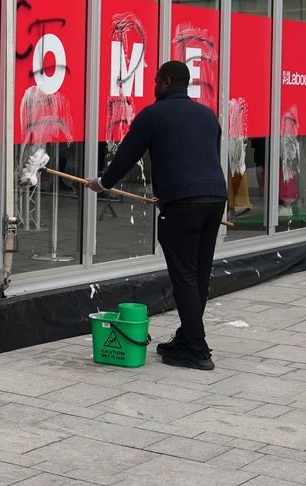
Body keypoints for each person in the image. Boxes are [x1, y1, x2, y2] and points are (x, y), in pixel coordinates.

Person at [87, 60, 226, 371]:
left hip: (183, 205)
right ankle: (187, 336)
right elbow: (205, 156)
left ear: (165, 81)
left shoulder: (153, 115)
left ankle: (197, 348)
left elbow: (127, 155)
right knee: (199, 274)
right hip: (215, 198)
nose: (152, 86)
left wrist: (103, 184)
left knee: (184, 275)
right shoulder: (207, 115)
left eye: (154, 80)